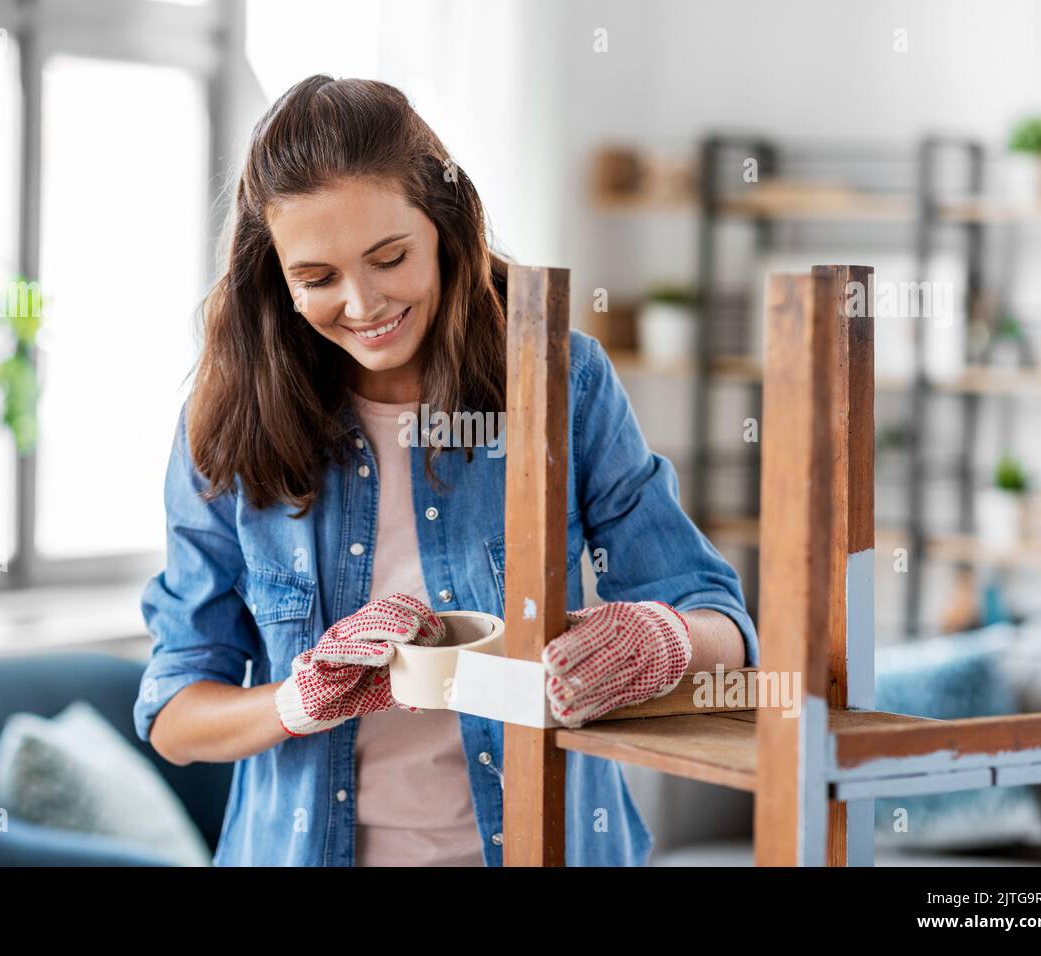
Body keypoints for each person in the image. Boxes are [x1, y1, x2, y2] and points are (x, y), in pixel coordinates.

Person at [132, 74, 758, 867]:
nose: (362, 304)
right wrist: (299, 698)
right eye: (317, 278)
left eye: (388, 258)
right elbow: (174, 715)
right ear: (276, 280)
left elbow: (725, 631)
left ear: (444, 227)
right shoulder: (228, 429)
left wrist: (661, 638)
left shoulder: (560, 383)